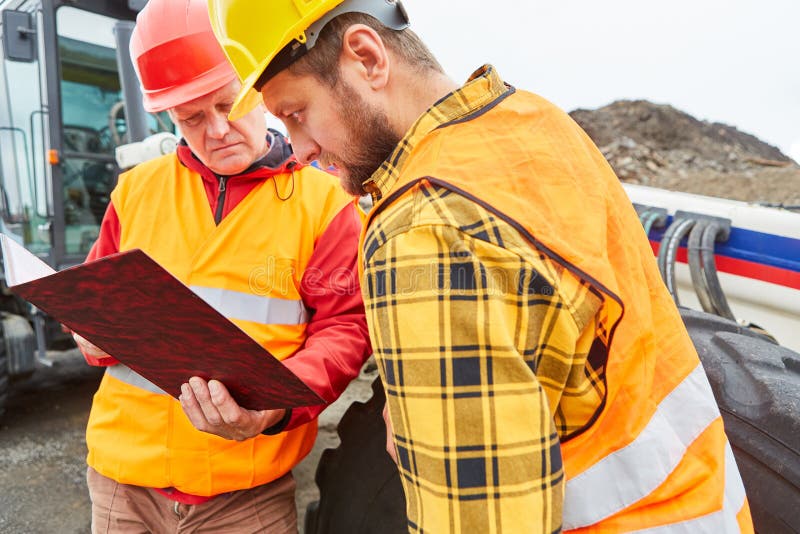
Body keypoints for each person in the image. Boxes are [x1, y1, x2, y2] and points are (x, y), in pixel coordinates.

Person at [207, 1, 755, 532]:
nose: (298, 150)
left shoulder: (422, 230)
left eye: (296, 114)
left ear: (368, 57)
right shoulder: (534, 121)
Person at [72, 0, 371, 531]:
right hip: (123, 480)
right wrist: (86, 331)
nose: (217, 130)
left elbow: (345, 326)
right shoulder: (137, 190)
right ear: (169, 115)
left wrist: (275, 405)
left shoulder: (325, 202)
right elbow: (92, 296)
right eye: (191, 118)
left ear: (260, 90)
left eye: (229, 105)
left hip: (244, 494)